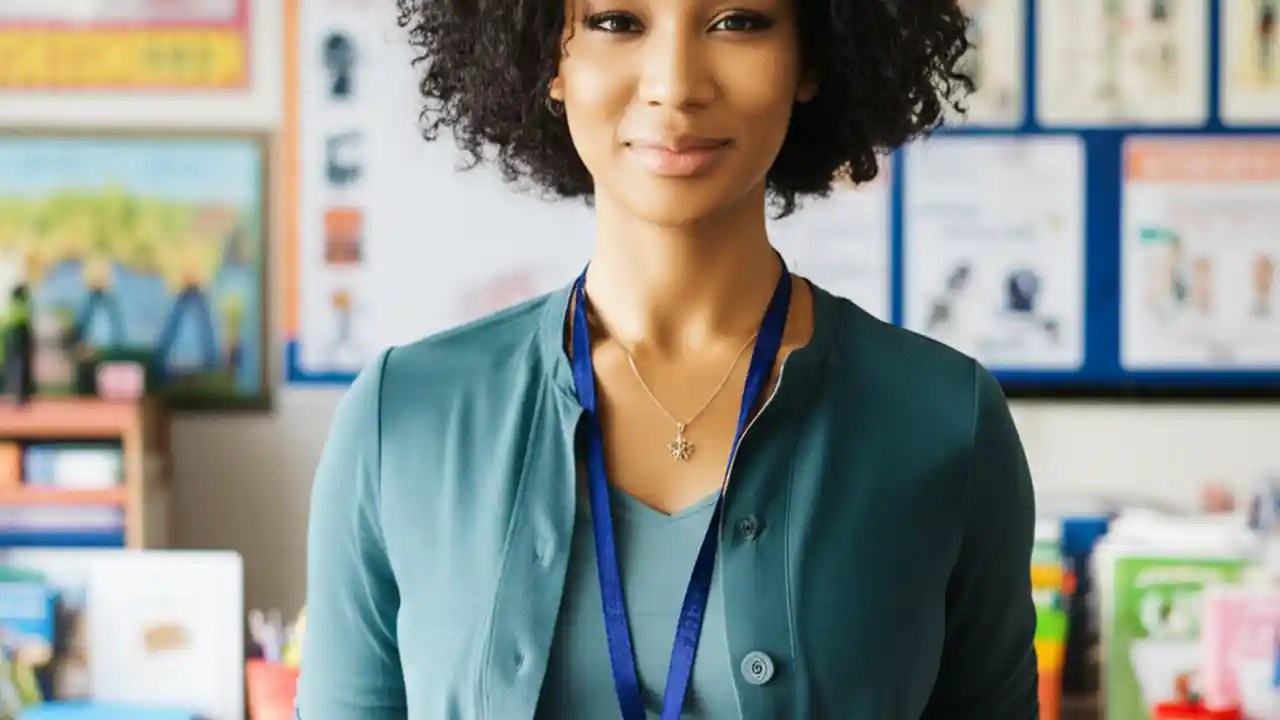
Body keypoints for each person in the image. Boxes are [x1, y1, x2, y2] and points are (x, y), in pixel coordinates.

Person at [298, 0, 1039, 717]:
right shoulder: (404, 418)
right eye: (617, 22)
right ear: (547, 57)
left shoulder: (943, 419)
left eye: (737, 22)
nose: (676, 83)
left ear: (810, 58)